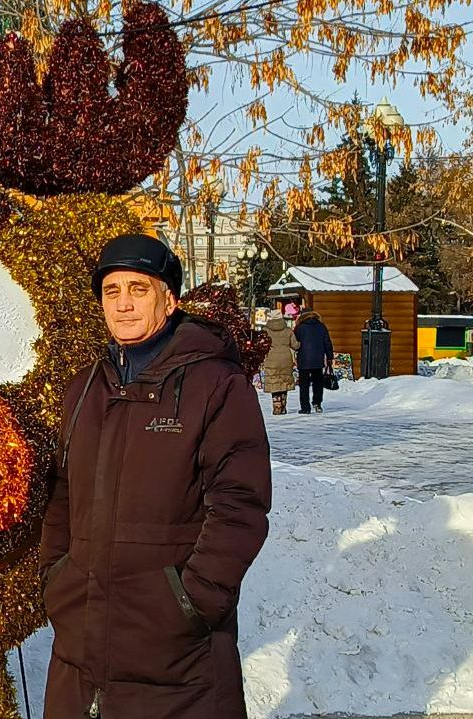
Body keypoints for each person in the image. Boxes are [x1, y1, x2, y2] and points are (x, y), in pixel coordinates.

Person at [40, 233, 272, 719]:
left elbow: (240, 504)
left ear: (169, 299)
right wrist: (56, 575)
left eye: (138, 290)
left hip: (177, 664)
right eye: (112, 291)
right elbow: (63, 493)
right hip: (79, 662)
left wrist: (192, 601)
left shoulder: (215, 383)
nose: (123, 305)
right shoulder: (85, 387)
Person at [293, 305, 334, 414]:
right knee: (318, 383)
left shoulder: (299, 327)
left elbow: (295, 343)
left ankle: (305, 407)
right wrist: (330, 356)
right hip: (318, 359)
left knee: (304, 384)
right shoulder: (321, 326)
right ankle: (317, 403)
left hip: (304, 359)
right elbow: (327, 342)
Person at [262, 309, 299, 415]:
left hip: (271, 359)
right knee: (284, 382)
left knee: (274, 382)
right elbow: (295, 345)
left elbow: (262, 345)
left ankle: (276, 405)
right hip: (286, 359)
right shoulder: (288, 330)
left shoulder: (266, 330)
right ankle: (283, 405)